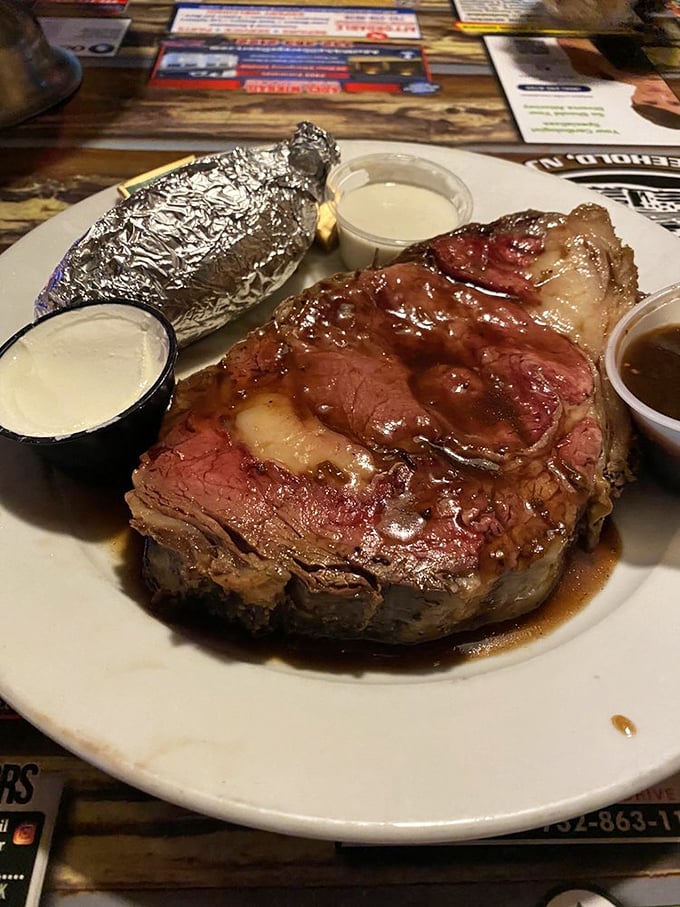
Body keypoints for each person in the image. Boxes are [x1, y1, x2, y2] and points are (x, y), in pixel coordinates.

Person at [558, 36, 680, 130]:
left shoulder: (593, 74)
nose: (660, 95)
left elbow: (568, 38)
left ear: (634, 99)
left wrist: (611, 69)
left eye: (649, 102)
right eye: (674, 101)